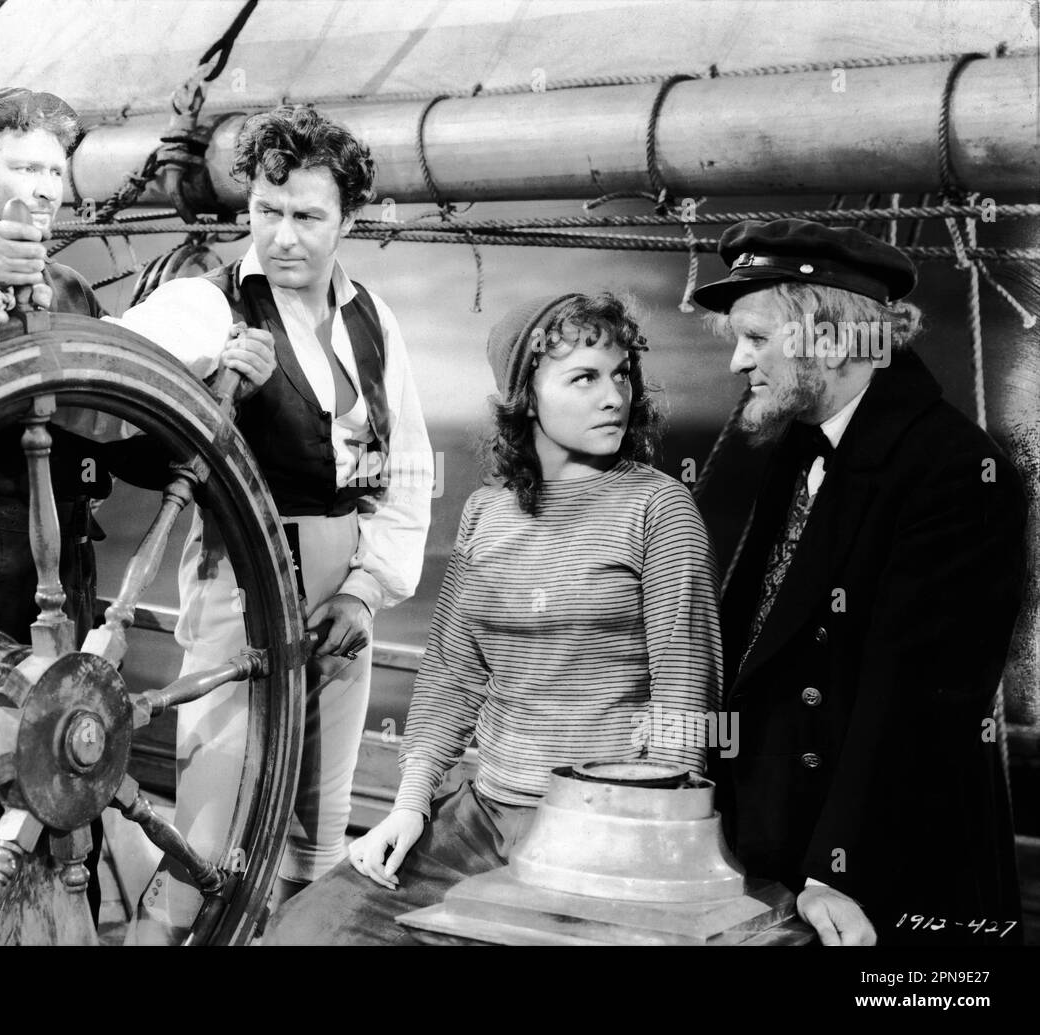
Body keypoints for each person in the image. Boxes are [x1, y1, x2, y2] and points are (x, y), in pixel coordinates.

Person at [262, 290, 723, 945]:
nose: (615, 396)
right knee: (302, 934)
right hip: (481, 819)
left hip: (609, 830)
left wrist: (653, 850)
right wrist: (410, 805)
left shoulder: (659, 509)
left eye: (623, 374)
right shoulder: (486, 511)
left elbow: (684, 693)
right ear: (526, 397)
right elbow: (453, 671)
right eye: (586, 377)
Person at [109, 105, 433, 942]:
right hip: (239, 572)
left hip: (340, 580)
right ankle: (175, 933)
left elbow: (406, 472)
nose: (283, 237)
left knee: (321, 821)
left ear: (349, 219)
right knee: (213, 816)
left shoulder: (372, 319)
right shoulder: (207, 306)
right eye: (266, 211)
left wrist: (364, 595)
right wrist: (211, 378)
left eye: (307, 217)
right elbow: (108, 371)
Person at [693, 218, 1027, 946]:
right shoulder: (800, 441)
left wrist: (840, 867)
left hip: (873, 865)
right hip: (772, 838)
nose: (736, 362)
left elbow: (922, 694)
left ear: (835, 340)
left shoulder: (956, 470)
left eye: (756, 338)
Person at [0, 86, 272, 643]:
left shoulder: (71, 291)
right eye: (27, 167)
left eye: (56, 173)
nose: (46, 190)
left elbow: (123, 442)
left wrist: (220, 391)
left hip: (64, 558)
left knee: (59, 720)